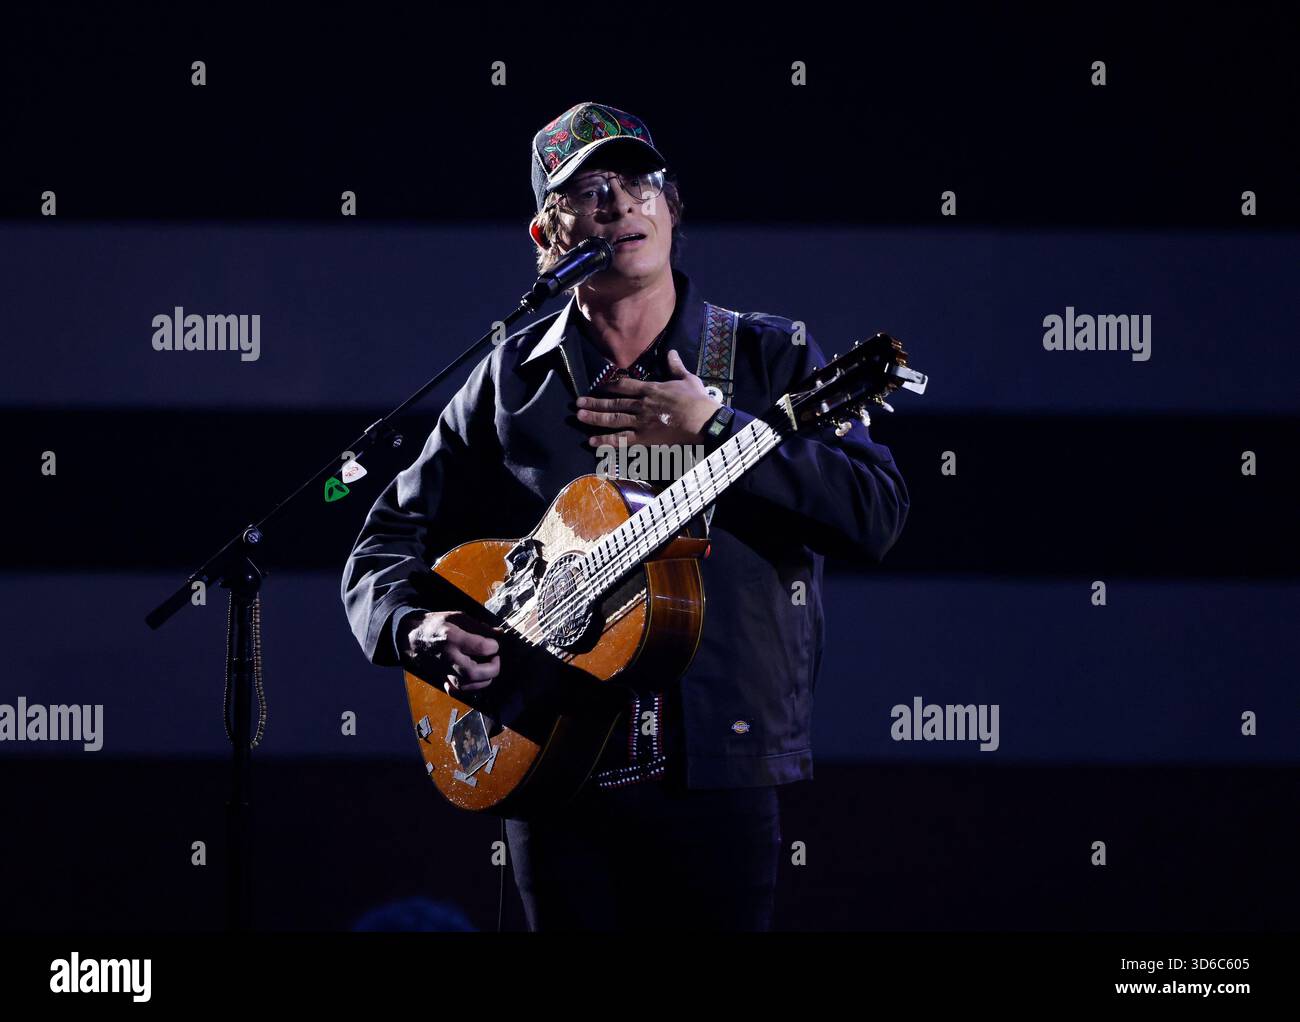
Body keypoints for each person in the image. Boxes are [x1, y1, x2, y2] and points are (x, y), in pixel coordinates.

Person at [341, 100, 910, 931]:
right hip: (549, 763)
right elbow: (388, 538)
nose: (619, 202)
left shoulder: (767, 357)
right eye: (587, 188)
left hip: (717, 776)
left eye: (639, 181)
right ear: (547, 235)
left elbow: (876, 513)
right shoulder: (510, 382)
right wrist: (414, 628)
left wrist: (717, 426)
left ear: (671, 207)